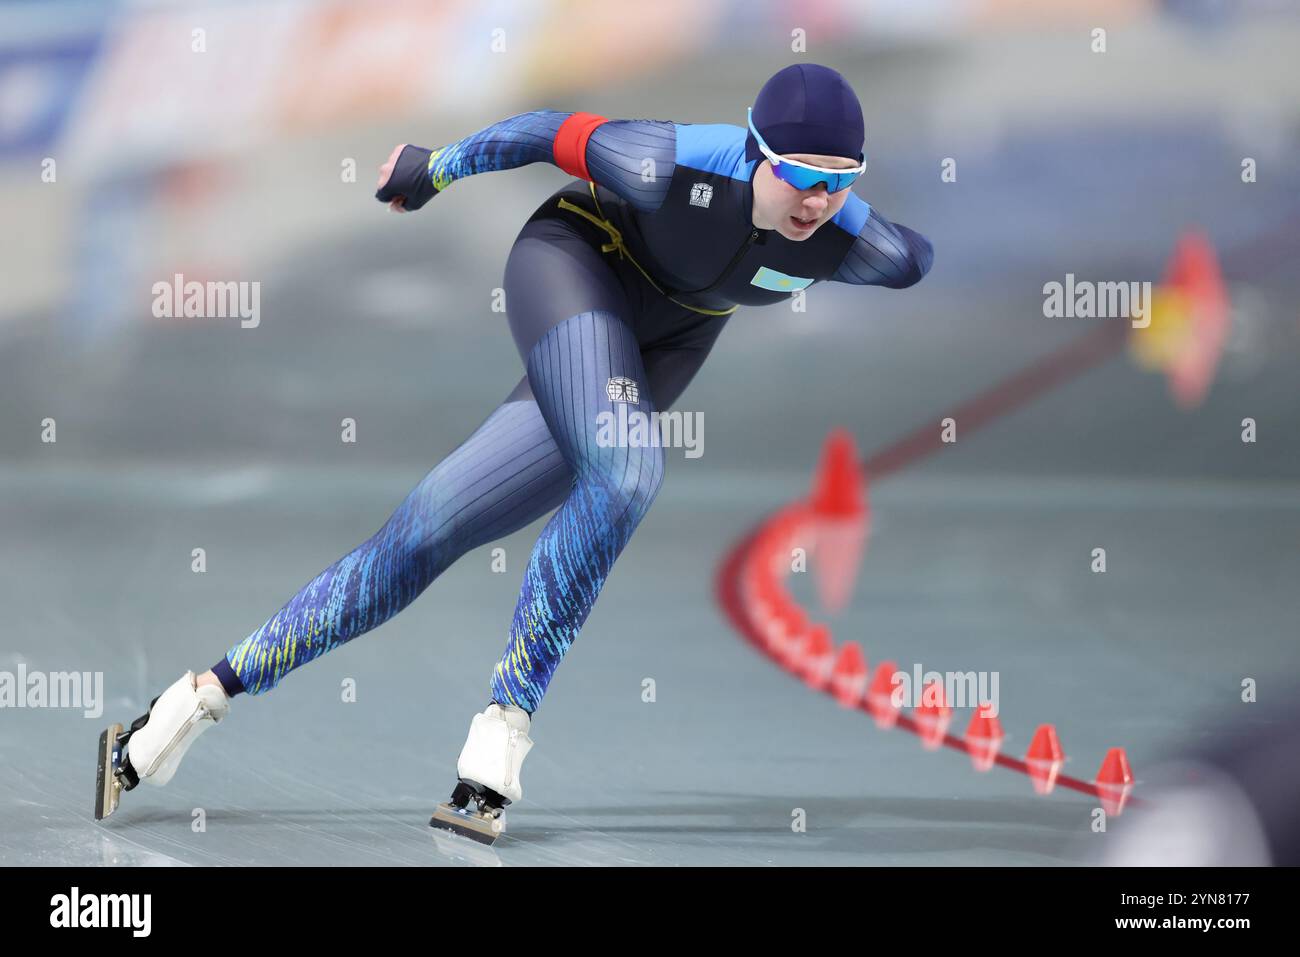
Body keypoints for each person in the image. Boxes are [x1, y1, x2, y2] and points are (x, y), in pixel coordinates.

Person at [95, 64, 933, 833]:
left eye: (838, 181)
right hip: (575, 265)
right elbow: (545, 130)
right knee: (632, 466)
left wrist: (876, 224)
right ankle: (505, 722)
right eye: (799, 175)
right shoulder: (664, 163)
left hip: (665, 342)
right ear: (756, 152)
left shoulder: (857, 246)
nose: (817, 200)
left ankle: (191, 699)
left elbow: (912, 256)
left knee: (425, 532)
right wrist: (434, 168)